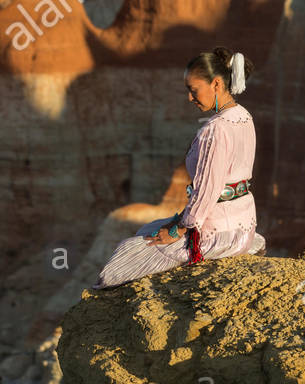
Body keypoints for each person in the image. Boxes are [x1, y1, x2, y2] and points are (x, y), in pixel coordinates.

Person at [92, 45, 265, 289]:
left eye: (194, 90)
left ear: (216, 84)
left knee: (122, 259)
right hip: (243, 225)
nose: (190, 98)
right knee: (148, 228)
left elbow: (206, 192)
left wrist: (178, 231)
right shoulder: (243, 116)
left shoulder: (214, 130)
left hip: (215, 234)